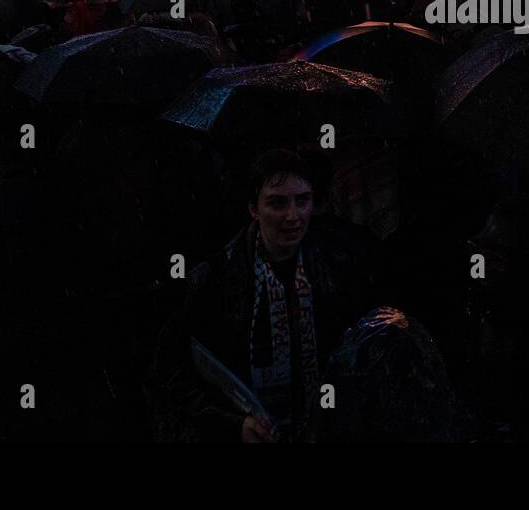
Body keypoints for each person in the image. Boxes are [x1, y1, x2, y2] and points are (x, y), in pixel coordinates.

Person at [150, 149, 377, 442]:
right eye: (277, 203)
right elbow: (173, 374)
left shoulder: (335, 266)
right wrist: (233, 424)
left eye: (302, 201)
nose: (292, 216)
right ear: (253, 208)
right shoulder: (216, 279)